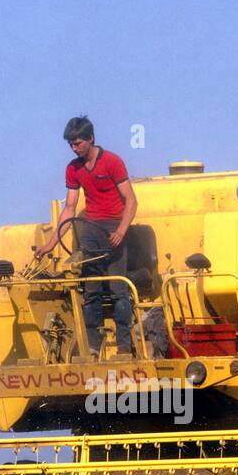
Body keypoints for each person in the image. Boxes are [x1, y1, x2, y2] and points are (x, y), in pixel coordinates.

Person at [35, 115, 138, 357]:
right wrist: (51, 243)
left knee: (118, 289)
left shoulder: (112, 162)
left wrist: (121, 231)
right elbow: (70, 208)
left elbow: (131, 201)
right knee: (90, 290)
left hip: (114, 228)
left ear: (90, 138)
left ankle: (124, 345)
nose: (74, 148)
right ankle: (92, 345)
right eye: (71, 144)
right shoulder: (73, 168)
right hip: (90, 230)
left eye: (78, 143)